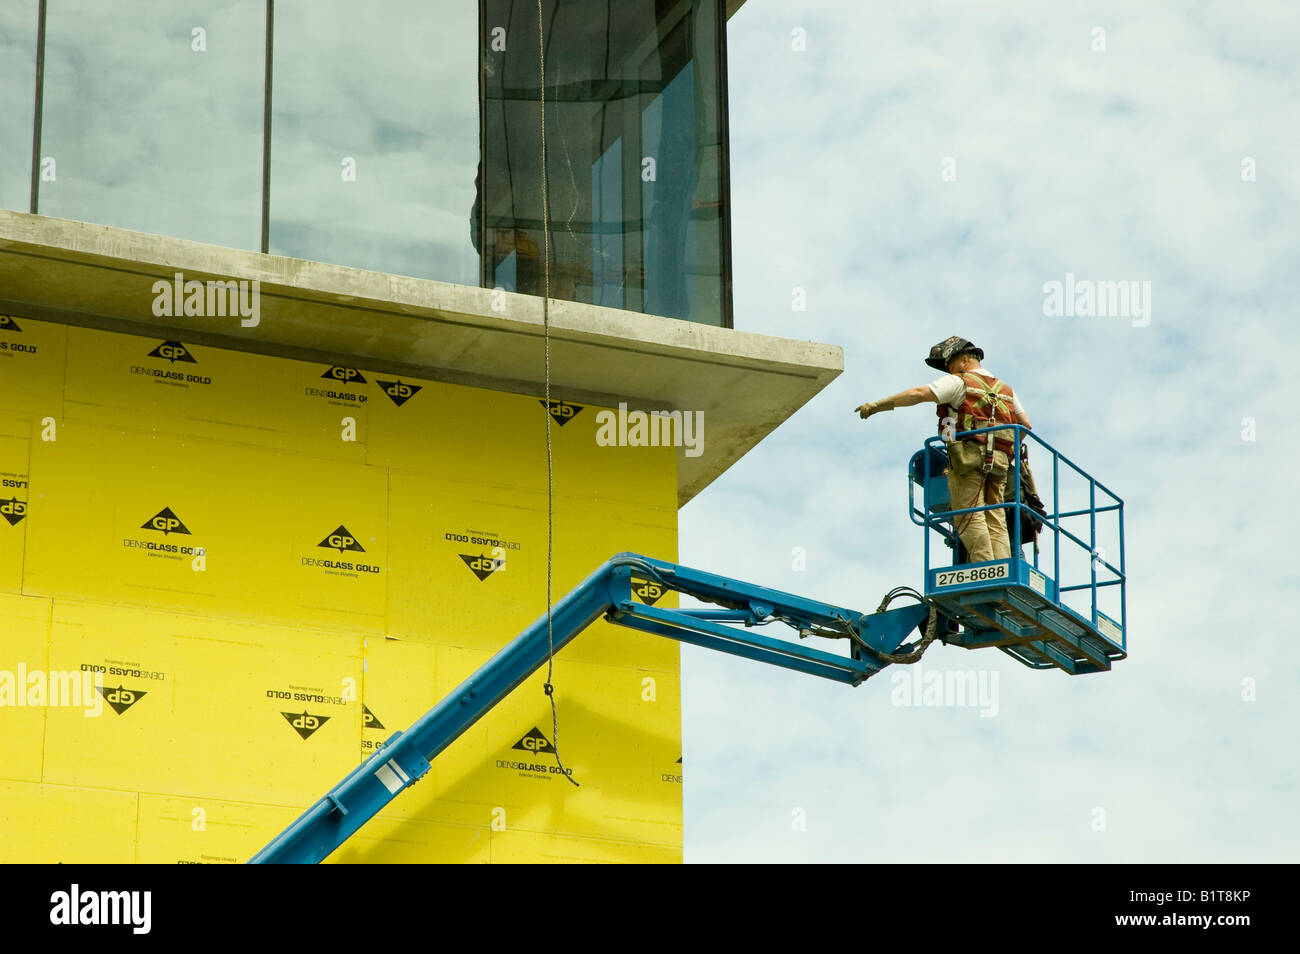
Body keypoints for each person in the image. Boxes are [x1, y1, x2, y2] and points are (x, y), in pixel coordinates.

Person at [855, 336, 1032, 563]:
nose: (949, 370)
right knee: (995, 516)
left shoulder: (960, 382)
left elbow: (918, 394)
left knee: (969, 515)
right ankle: (1003, 568)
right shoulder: (1006, 390)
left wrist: (878, 405)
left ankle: (985, 570)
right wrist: (1004, 448)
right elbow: (1025, 425)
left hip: (969, 459)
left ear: (965, 359)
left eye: (950, 364)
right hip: (999, 463)